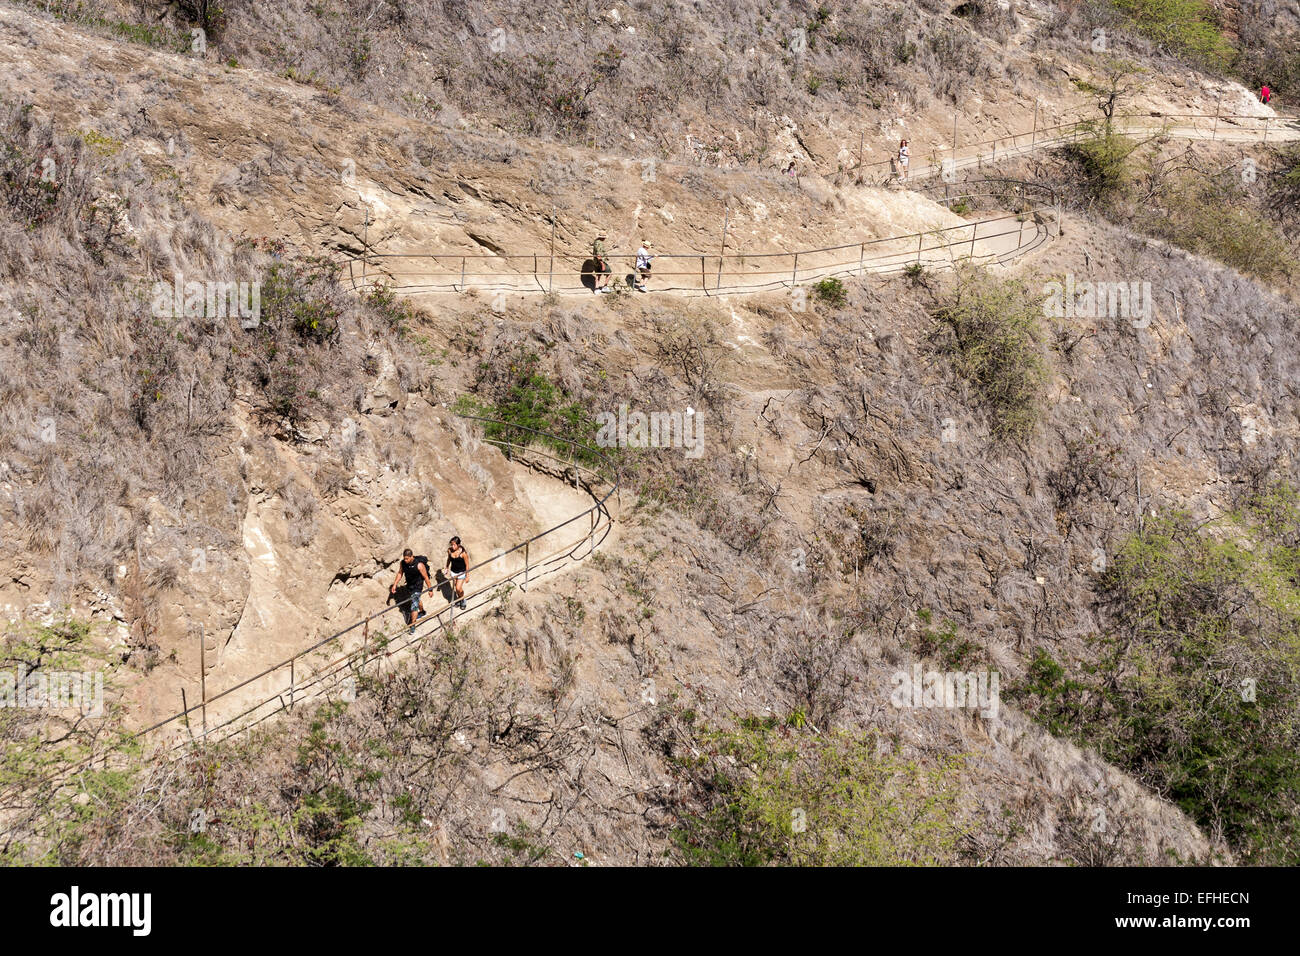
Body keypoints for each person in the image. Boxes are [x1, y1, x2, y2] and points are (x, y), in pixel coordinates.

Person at [390, 548, 434, 626]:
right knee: (416, 600)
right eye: (404, 558)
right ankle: (422, 612)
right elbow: (400, 573)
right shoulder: (403, 563)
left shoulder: (419, 565)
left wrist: (430, 589)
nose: (405, 560)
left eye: (407, 559)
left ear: (411, 557)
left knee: (414, 606)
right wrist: (395, 584)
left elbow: (426, 577)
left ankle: (412, 624)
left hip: (418, 586)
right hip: (409, 585)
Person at [444, 536, 470, 609]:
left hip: (461, 572)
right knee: (456, 587)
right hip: (453, 572)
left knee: (458, 588)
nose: (452, 546)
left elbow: (467, 565)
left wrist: (467, 575)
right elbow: (449, 559)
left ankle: (463, 600)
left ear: (458, 545)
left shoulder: (463, 553)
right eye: (451, 544)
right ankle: (459, 599)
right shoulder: (449, 550)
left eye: (454, 545)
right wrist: (446, 567)